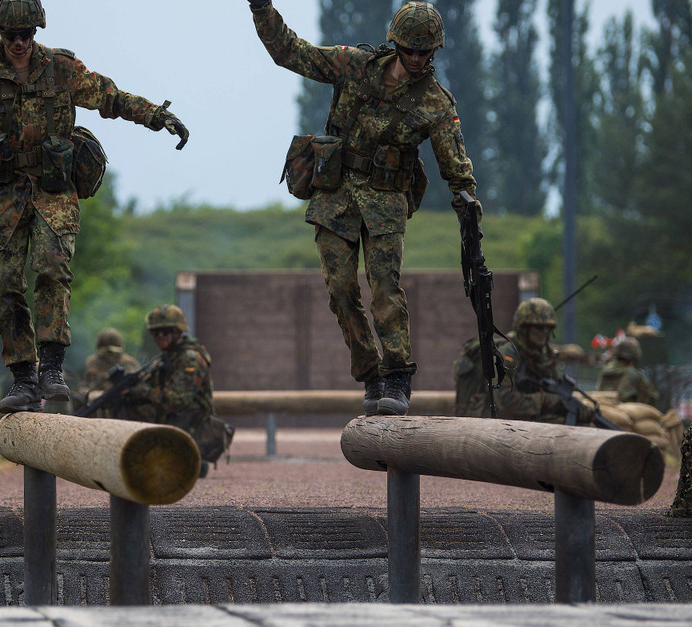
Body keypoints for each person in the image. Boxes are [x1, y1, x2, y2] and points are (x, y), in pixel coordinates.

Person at [0, 0, 189, 414]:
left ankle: (51, 367)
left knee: (52, 267)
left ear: (36, 31)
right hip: (2, 196)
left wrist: (156, 116)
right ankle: (23, 376)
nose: (19, 43)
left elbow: (110, 97)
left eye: (26, 34)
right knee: (6, 284)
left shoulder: (62, 69)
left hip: (53, 191)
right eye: (10, 35)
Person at [247, 0, 481, 416]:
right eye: (409, 49)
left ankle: (398, 376)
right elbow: (289, 52)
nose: (416, 58)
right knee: (340, 290)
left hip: (385, 200)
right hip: (334, 193)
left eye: (424, 52)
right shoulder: (353, 65)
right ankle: (371, 374)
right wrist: (261, 7)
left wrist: (468, 213)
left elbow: (457, 169)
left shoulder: (435, 103)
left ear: (434, 51)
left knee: (385, 290)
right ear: (396, 44)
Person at [120, 305, 234, 478]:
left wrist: (143, 391)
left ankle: (189, 457)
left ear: (178, 331)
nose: (160, 336)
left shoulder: (190, 359)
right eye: (156, 332)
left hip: (189, 425)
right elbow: (151, 387)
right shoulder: (167, 357)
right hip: (173, 422)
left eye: (166, 331)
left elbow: (176, 400)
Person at [454, 298, 597, 424]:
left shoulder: (543, 355)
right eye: (539, 328)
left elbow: (553, 391)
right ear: (524, 328)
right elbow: (504, 400)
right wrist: (545, 401)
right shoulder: (508, 354)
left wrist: (569, 408)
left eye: (548, 328)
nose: (544, 333)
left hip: (525, 420)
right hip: (496, 423)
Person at [79, 327, 141, 410]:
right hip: (96, 407)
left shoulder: (129, 363)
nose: (109, 358)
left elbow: (138, 387)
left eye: (113, 353)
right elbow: (83, 387)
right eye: (106, 353)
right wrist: (89, 394)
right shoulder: (92, 362)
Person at [597, 336, 659, 406]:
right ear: (633, 358)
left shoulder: (605, 371)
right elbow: (652, 397)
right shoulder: (634, 374)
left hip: (604, 407)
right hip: (625, 410)